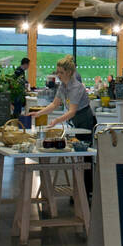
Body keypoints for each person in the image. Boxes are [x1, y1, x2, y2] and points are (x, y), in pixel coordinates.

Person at [26, 55, 97, 198]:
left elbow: (72, 111)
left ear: (69, 73)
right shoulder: (63, 87)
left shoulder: (76, 87)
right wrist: (38, 113)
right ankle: (78, 191)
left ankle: (87, 192)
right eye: (57, 72)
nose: (58, 75)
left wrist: (56, 121)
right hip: (76, 121)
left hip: (86, 121)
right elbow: (54, 104)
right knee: (77, 155)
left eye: (61, 72)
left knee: (85, 157)